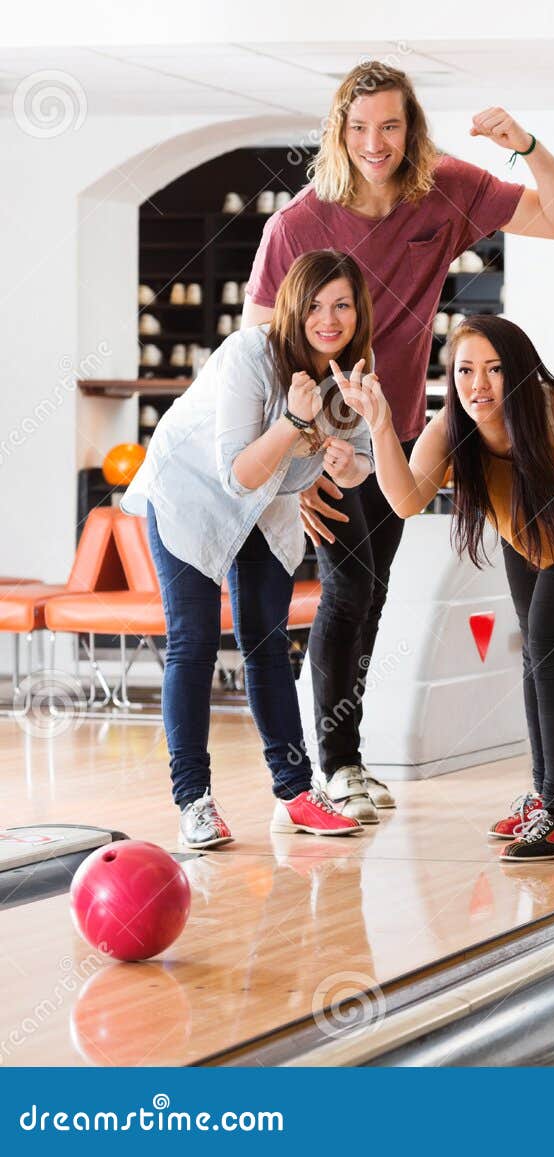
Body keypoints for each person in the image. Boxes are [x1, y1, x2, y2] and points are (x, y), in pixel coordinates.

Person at [243, 60, 554, 822]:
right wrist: (292, 466)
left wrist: (527, 146)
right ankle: (336, 763)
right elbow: (255, 350)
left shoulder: (446, 188)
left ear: (412, 129)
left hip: (395, 435)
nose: (376, 143)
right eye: (360, 127)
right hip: (323, 444)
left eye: (391, 126)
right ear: (338, 131)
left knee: (373, 594)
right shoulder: (296, 225)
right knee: (349, 589)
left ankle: (347, 756)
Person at [342, 316, 554, 861]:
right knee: (533, 648)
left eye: (494, 369)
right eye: (465, 371)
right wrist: (381, 425)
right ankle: (544, 795)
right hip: (525, 527)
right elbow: (406, 501)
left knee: (549, 644)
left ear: (519, 372)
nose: (477, 385)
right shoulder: (450, 429)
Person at [123, 250, 376, 850]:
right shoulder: (249, 354)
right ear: (292, 308)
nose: (328, 319)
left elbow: (363, 457)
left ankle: (296, 793)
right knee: (193, 641)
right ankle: (194, 801)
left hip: (269, 502)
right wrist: (295, 422)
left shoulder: (354, 372)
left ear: (359, 312)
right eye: (315, 305)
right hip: (192, 492)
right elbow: (237, 475)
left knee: (266, 643)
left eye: (342, 305)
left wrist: (348, 464)